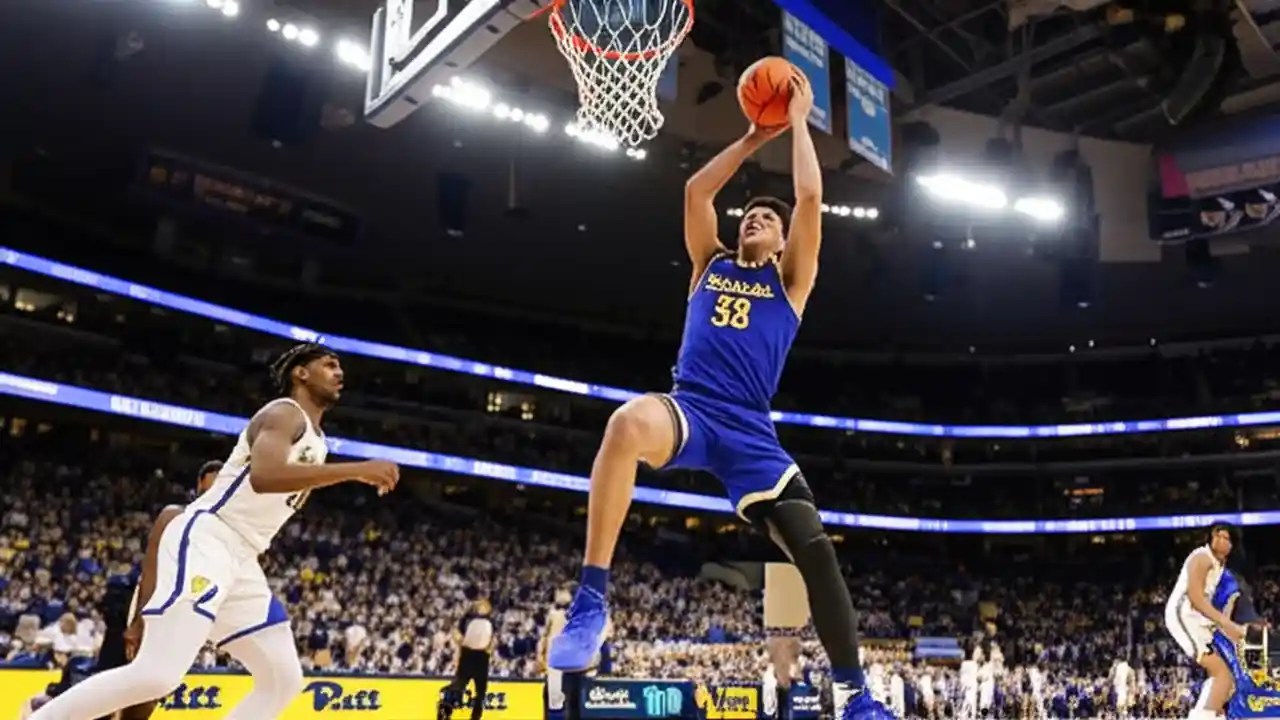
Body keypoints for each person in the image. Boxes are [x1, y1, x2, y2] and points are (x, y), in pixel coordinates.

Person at [547, 66, 892, 720]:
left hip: (751, 433)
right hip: (692, 410)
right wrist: (750, 139)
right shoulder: (708, 265)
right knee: (625, 423)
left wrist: (796, 122)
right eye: (751, 213)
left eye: (766, 217)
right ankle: (591, 600)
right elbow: (695, 192)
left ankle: (854, 695)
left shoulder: (790, 283)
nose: (753, 219)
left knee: (815, 550)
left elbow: (812, 201)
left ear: (784, 240)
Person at [30, 343, 400, 719]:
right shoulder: (284, 414)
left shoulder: (316, 442)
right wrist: (356, 470)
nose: (339, 373)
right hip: (210, 537)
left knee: (283, 679)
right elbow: (264, 477)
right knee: (157, 675)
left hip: (243, 558)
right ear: (300, 373)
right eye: (329, 365)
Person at [105, 460, 221, 720]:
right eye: (212, 483)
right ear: (199, 485)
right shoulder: (175, 515)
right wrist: (138, 620)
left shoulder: (221, 532)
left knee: (157, 685)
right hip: (154, 604)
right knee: (131, 680)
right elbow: (151, 568)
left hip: (185, 612)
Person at [1164, 522, 1243, 720]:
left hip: (1198, 618)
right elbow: (1196, 599)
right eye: (1218, 536)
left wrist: (1228, 627)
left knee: (1227, 675)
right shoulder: (1202, 557)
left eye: (1226, 538)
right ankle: (1206, 715)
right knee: (1221, 673)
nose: (1221, 540)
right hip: (1183, 615)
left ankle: (1210, 712)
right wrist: (1226, 624)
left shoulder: (1220, 566)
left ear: (1232, 545)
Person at [440, 598, 496, 720]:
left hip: (481, 656)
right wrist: (462, 643)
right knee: (459, 685)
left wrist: (489, 649)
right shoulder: (467, 619)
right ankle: (445, 708)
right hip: (468, 653)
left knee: (481, 691)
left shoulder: (491, 621)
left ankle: (476, 716)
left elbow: (493, 638)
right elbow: (458, 635)